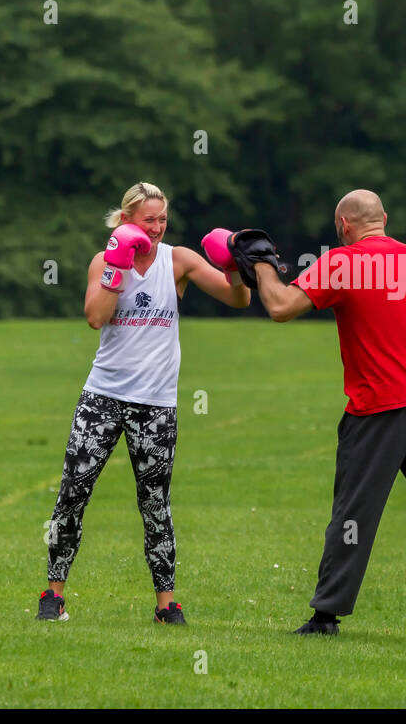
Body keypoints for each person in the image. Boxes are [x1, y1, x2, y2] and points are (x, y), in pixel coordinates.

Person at [249, 189, 406, 646]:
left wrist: (262, 263)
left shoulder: (342, 263)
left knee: (353, 515)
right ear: (383, 218)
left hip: (377, 408)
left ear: (343, 225)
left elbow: (281, 307)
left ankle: (326, 615)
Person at [36, 181, 250, 625]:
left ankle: (166, 605)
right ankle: (53, 596)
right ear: (128, 219)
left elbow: (236, 299)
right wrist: (118, 265)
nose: (155, 227)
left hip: (155, 404)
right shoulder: (105, 260)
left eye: (161, 219)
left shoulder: (180, 260)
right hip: (103, 397)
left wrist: (237, 267)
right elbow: (96, 317)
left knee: (155, 502)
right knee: (73, 494)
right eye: (147, 220)